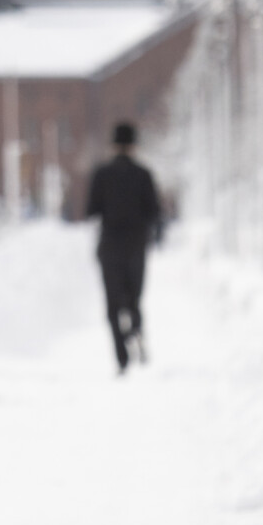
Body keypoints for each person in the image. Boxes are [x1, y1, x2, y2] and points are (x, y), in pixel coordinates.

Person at [85, 121, 163, 372]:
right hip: (136, 245)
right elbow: (154, 211)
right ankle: (135, 327)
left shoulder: (101, 174)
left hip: (109, 246)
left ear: (113, 144)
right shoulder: (143, 174)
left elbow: (91, 210)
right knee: (134, 297)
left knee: (112, 304)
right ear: (134, 145)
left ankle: (121, 357)